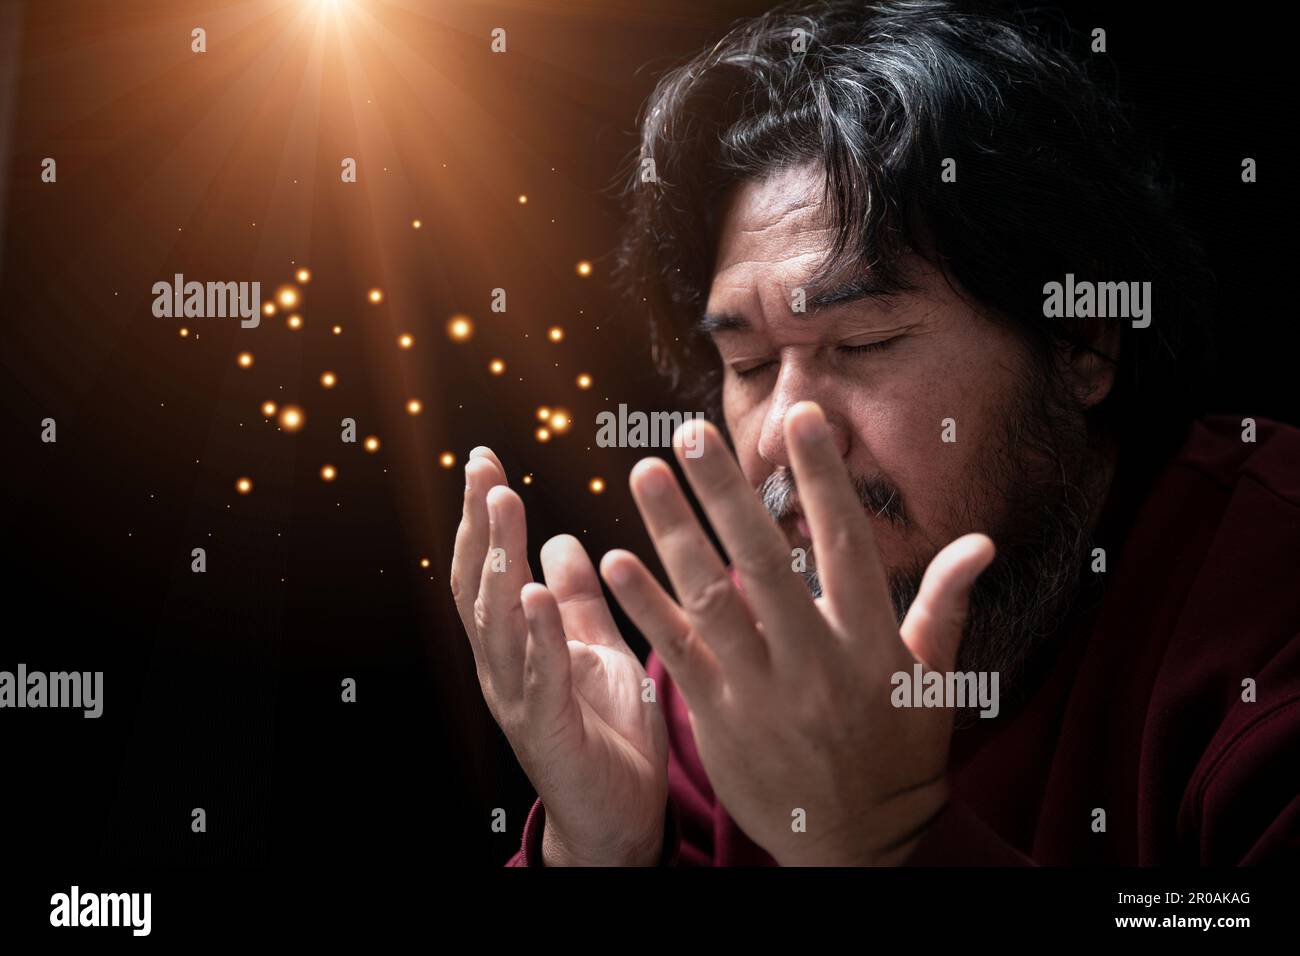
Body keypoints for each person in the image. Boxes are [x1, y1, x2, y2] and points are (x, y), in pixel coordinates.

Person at [449, 0, 1300, 865]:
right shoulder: (738, 650)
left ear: (1080, 339)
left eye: (863, 344)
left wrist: (888, 844)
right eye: (747, 367)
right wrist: (597, 851)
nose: (784, 432)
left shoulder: (1268, 618)